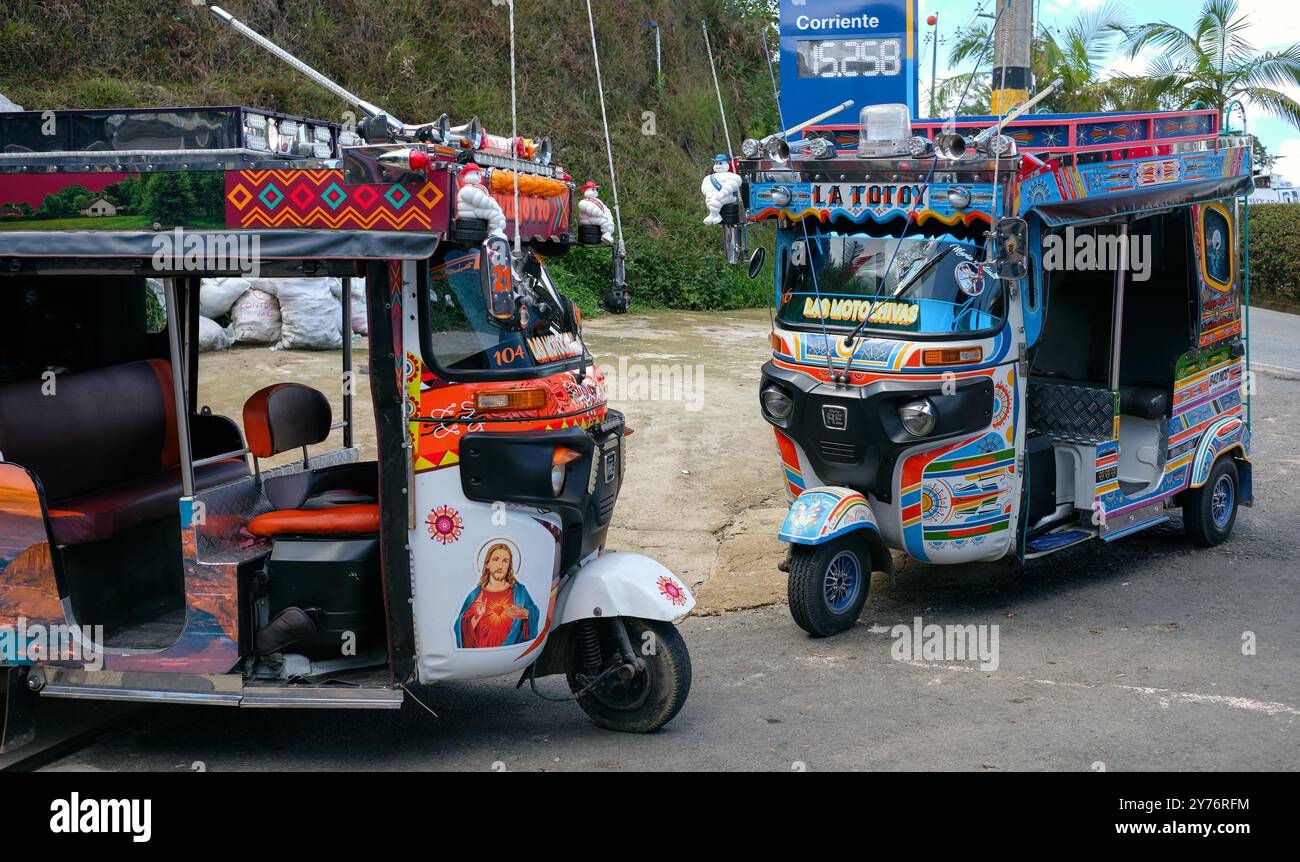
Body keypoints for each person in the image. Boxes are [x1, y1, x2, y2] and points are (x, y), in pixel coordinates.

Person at [455, 542, 539, 648]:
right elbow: (460, 630)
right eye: (496, 559)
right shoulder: (475, 595)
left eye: (505, 561)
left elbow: (534, 613)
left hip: (510, 656)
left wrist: (527, 614)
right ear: (487, 564)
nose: (500, 565)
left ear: (509, 565)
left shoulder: (520, 592)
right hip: (480, 657)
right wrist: (475, 618)